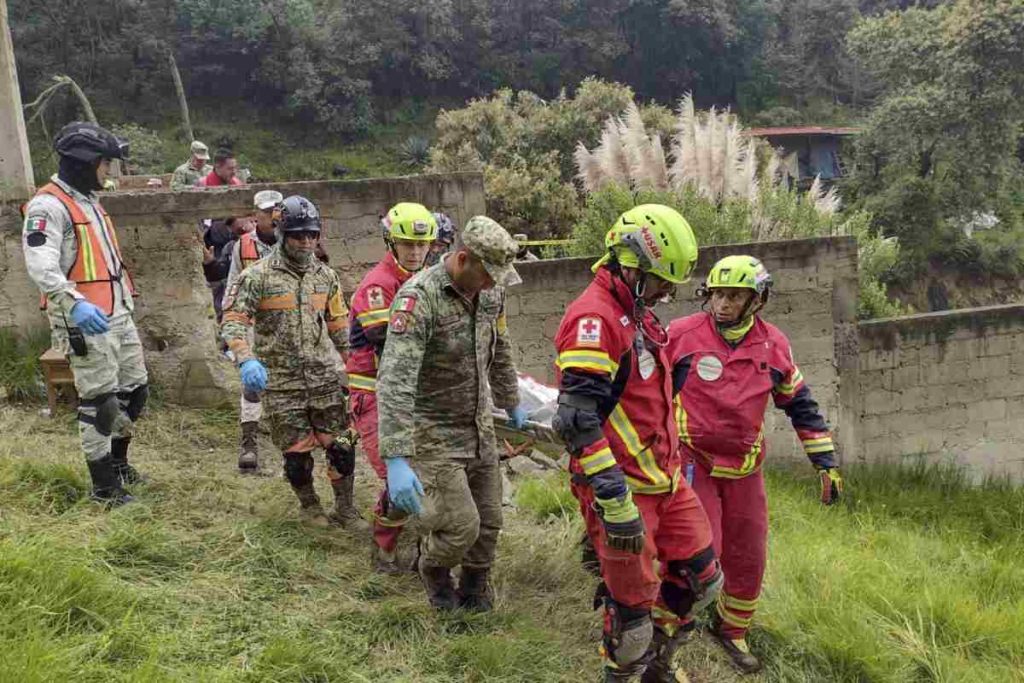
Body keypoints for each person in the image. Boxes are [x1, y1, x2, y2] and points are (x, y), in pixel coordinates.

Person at [552, 205, 722, 682]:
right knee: (631, 619)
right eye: (660, 281)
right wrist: (611, 494)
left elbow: (638, 397)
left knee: (703, 580)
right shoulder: (595, 318)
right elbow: (576, 418)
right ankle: (628, 671)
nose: (669, 291)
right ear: (629, 263)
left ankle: (657, 666)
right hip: (623, 487)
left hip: (663, 479)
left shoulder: (638, 314)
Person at [668, 255, 843, 674]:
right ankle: (674, 625)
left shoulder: (774, 345)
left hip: (746, 468)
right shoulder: (680, 335)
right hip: (694, 460)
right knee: (697, 549)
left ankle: (732, 630)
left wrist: (826, 463)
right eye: (717, 295)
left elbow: (800, 405)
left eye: (734, 296)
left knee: (749, 553)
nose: (723, 304)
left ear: (756, 300)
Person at [376, 216, 527, 611]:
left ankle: (475, 589)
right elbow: (395, 380)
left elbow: (501, 348)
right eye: (487, 274)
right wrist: (394, 455)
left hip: (478, 425)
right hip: (433, 432)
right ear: (462, 259)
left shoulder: (490, 294)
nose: (494, 283)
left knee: (490, 520)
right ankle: (433, 572)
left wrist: (511, 401)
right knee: (461, 526)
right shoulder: (418, 299)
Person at [220, 195, 368, 531]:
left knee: (343, 445)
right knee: (297, 455)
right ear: (283, 234)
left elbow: (339, 326)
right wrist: (246, 360)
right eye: (299, 235)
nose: (306, 242)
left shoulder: (325, 277)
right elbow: (233, 320)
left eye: (312, 235)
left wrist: (355, 367)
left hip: (325, 378)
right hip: (282, 383)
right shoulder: (256, 277)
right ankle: (310, 507)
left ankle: (346, 508)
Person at [22, 122, 148, 507]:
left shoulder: (88, 199)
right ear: (83, 163)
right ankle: (104, 488)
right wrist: (73, 302)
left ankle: (118, 461)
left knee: (135, 391)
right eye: (104, 163)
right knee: (101, 402)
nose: (108, 171)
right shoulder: (48, 205)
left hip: (116, 313)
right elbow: (40, 265)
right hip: (84, 319)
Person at [346, 202, 438, 573]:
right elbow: (392, 347)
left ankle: (420, 547)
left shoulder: (428, 280)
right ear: (391, 242)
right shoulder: (377, 287)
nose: (415, 252)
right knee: (395, 478)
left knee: (426, 473)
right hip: (374, 394)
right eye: (407, 244)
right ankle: (383, 546)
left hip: (412, 394)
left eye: (422, 244)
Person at [225, 190, 283, 474]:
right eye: (266, 211)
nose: (272, 216)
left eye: (277, 210)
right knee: (252, 384)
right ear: (255, 215)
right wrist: (229, 328)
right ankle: (249, 443)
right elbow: (232, 285)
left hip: (286, 321)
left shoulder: (296, 238)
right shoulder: (242, 246)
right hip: (252, 322)